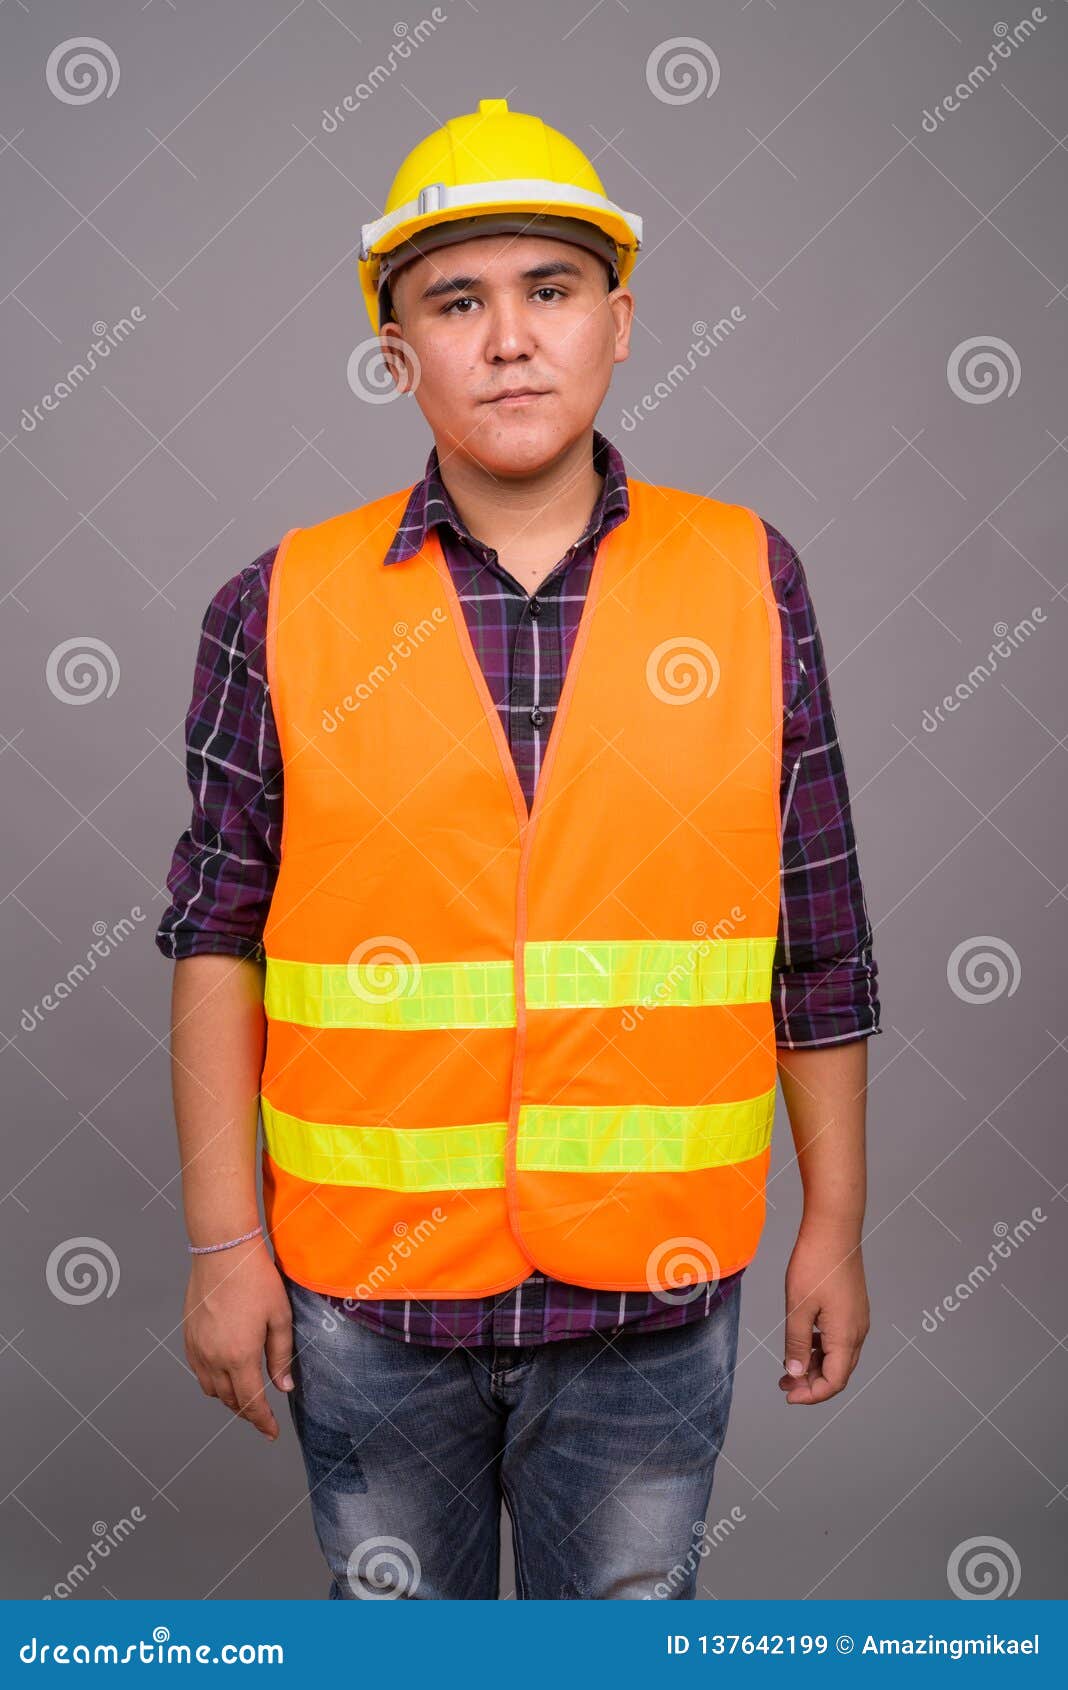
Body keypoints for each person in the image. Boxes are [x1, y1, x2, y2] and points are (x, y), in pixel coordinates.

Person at [158, 98, 881, 1601]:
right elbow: (216, 940)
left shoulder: (749, 579)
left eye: (548, 290)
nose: (507, 337)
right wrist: (225, 1243)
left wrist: (838, 1226)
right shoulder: (278, 606)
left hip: (652, 1297)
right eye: (455, 300)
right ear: (396, 345)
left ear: (618, 324)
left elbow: (819, 936)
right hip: (369, 1293)